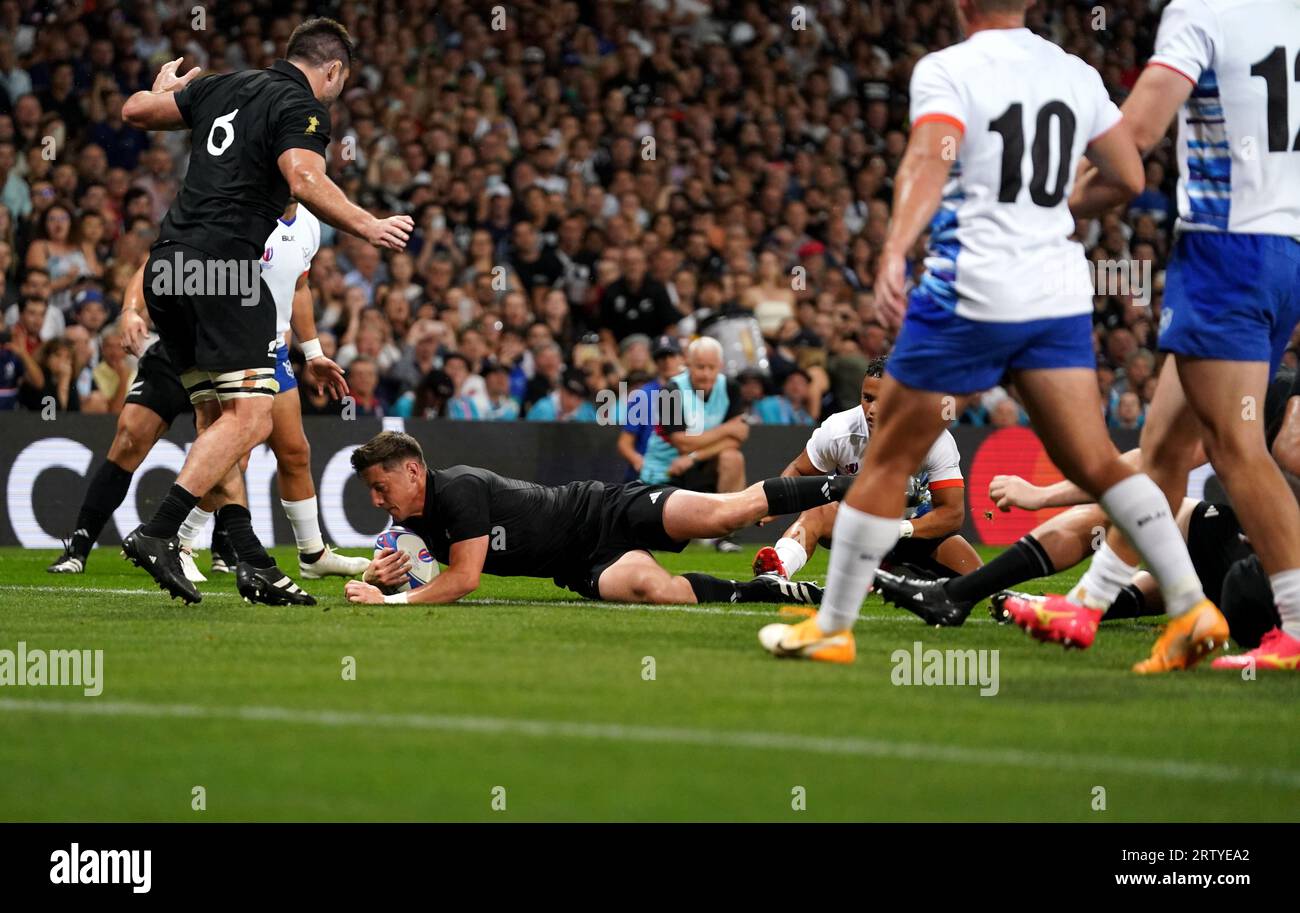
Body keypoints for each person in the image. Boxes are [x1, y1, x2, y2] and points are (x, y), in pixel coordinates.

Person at [759, 0, 1213, 666]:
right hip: (1054, 291)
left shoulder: (949, 68)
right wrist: (1056, 208)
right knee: (1098, 463)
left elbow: (926, 163)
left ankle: (831, 627)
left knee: (886, 460)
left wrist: (894, 249)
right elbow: (1128, 174)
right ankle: (1191, 605)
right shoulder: (1074, 71)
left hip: (970, 288)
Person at [117, 18, 412, 603]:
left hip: (168, 265)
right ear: (333, 70)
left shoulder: (221, 85)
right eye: (342, 82)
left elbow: (135, 112)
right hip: (225, 269)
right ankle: (158, 533)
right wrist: (368, 225)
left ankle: (252, 560)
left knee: (217, 421)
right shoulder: (301, 105)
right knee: (252, 420)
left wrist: (160, 88)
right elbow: (303, 179)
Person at [1057, 0, 1300, 671]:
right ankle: (1090, 600)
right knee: (1166, 449)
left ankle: (1299, 624)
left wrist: (1055, 203)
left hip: (1225, 250)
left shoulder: (1201, 11)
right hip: (1285, 252)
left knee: (1235, 448)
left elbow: (1134, 139)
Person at [343, 431, 850, 606]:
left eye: (380, 487)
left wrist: (393, 602)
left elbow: (464, 578)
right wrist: (375, 575)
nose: (377, 501)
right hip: (580, 564)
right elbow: (399, 563)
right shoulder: (413, 515)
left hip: (604, 507)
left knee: (726, 515)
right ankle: (759, 591)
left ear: (413, 471)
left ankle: (849, 485)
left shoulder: (459, 488)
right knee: (659, 592)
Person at [751, 357, 982, 616]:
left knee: (980, 581)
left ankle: (893, 573)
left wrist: (896, 530)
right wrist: (775, 504)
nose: (871, 410)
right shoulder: (839, 429)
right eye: (868, 398)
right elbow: (800, 471)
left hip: (914, 532)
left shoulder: (934, 437)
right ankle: (776, 570)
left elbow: (952, 514)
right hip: (855, 525)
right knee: (818, 510)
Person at [639, 336, 749, 551]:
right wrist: (727, 429)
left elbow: (739, 438)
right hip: (666, 470)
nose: (706, 373)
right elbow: (682, 442)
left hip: (694, 464)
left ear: (721, 366)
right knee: (658, 539)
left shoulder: (730, 387)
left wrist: (694, 457)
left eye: (711, 367)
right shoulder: (670, 390)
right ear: (688, 364)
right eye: (700, 367)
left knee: (733, 457)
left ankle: (725, 535)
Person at [616, 334, 684, 480]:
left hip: (682, 472)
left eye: (671, 355)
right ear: (654, 361)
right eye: (661, 357)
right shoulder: (643, 395)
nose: (667, 362)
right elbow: (624, 443)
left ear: (681, 358)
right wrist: (640, 462)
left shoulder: (691, 392)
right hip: (649, 475)